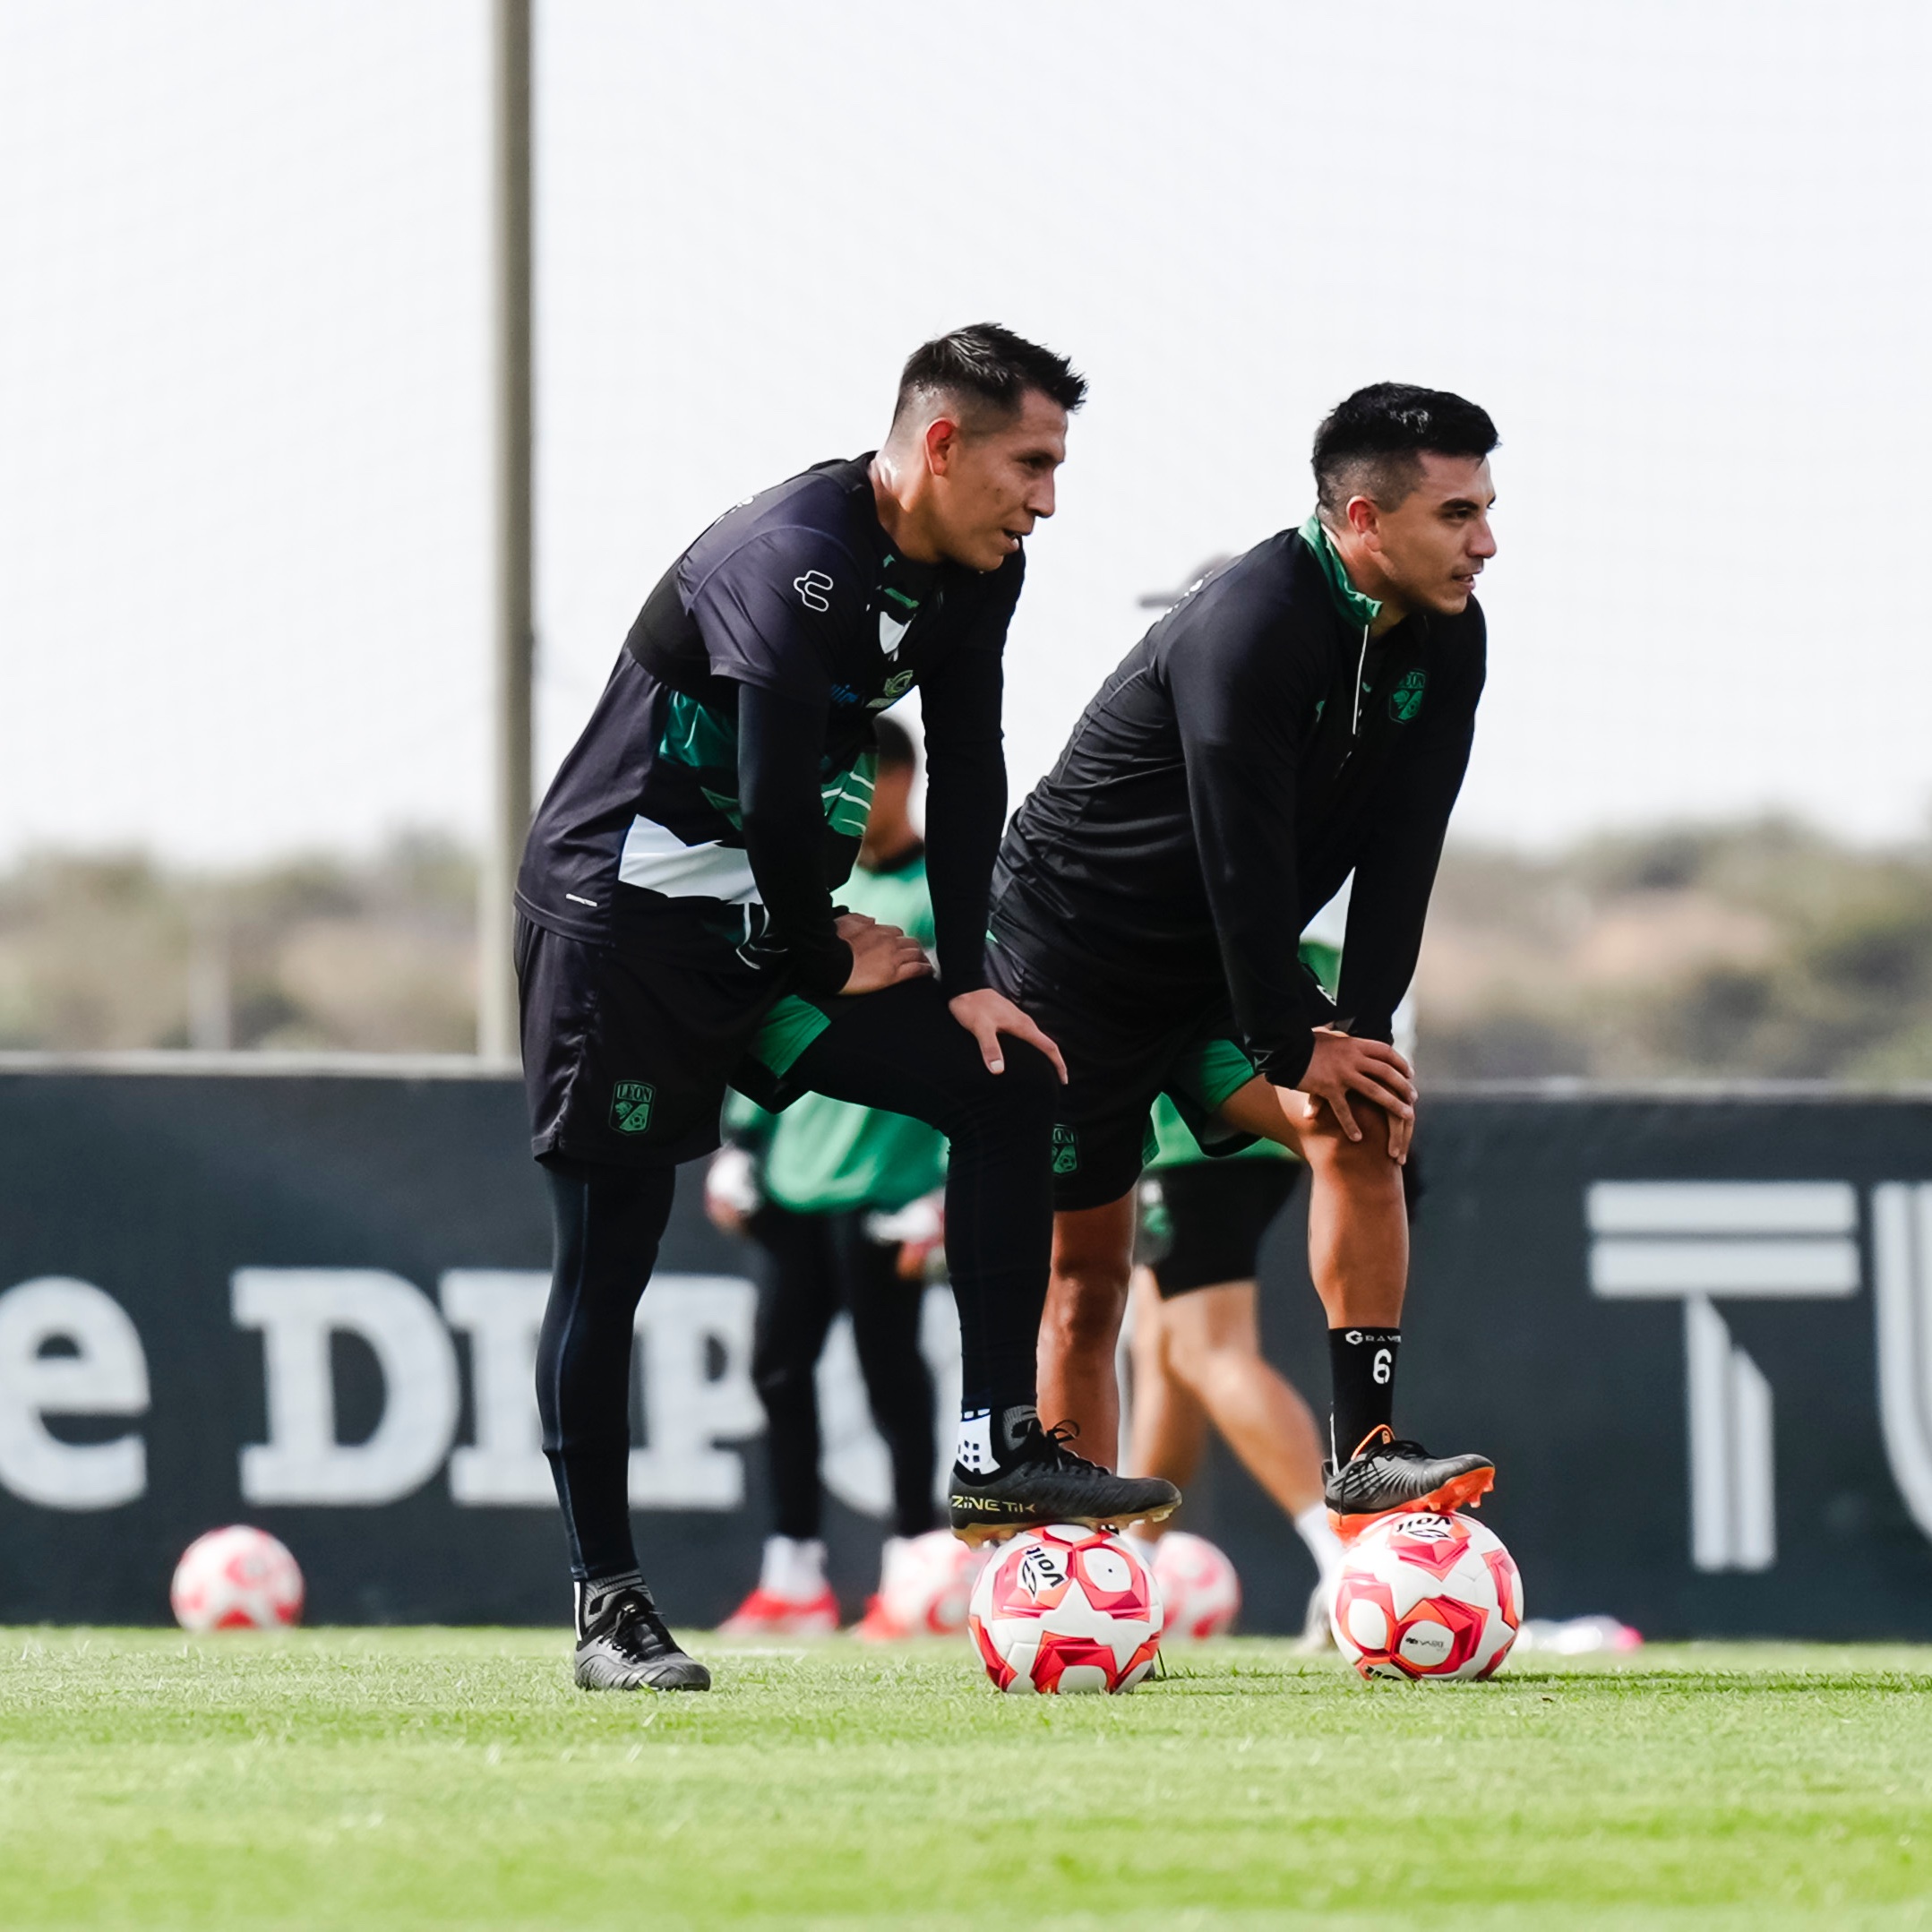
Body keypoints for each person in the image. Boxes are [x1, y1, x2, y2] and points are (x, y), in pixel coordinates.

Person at [514, 324, 1179, 1692]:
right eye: (1029, 464)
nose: (1046, 499)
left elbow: (972, 757)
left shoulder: (977, 567)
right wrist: (821, 949)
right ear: (940, 445)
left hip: (766, 932)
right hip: (624, 930)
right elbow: (764, 797)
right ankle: (609, 1606)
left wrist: (976, 975)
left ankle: (996, 1441)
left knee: (1005, 1076)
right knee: (610, 1263)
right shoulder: (792, 553)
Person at [988, 381, 1499, 1539]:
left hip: (1216, 969)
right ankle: (1073, 1563)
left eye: (1486, 507)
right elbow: (1238, 858)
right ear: (1363, 520)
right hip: (1073, 961)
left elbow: (1401, 856)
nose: (1484, 540)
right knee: (1089, 1282)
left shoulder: (1450, 640)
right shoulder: (1254, 620)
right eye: (1455, 513)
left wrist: (1356, 1032)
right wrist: (1286, 1035)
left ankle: (1365, 1453)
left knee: (1359, 1118)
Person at [704, 718, 950, 1637]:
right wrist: (739, 1141)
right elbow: (763, 1010)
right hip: (794, 1183)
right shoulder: (808, 889)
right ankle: (794, 1573)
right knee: (778, 1371)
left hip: (888, 1188)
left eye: (857, 779)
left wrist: (948, 1187)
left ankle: (914, 1574)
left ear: (897, 780)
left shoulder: (941, 894)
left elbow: (975, 1034)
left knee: (893, 1381)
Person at [1123, 942, 1347, 1647]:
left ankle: (1342, 1555)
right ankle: (1135, 1563)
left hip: (1199, 1122)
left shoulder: (1196, 851)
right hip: (1265, 1105)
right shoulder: (1305, 861)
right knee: (1164, 1352)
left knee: (1207, 1347)